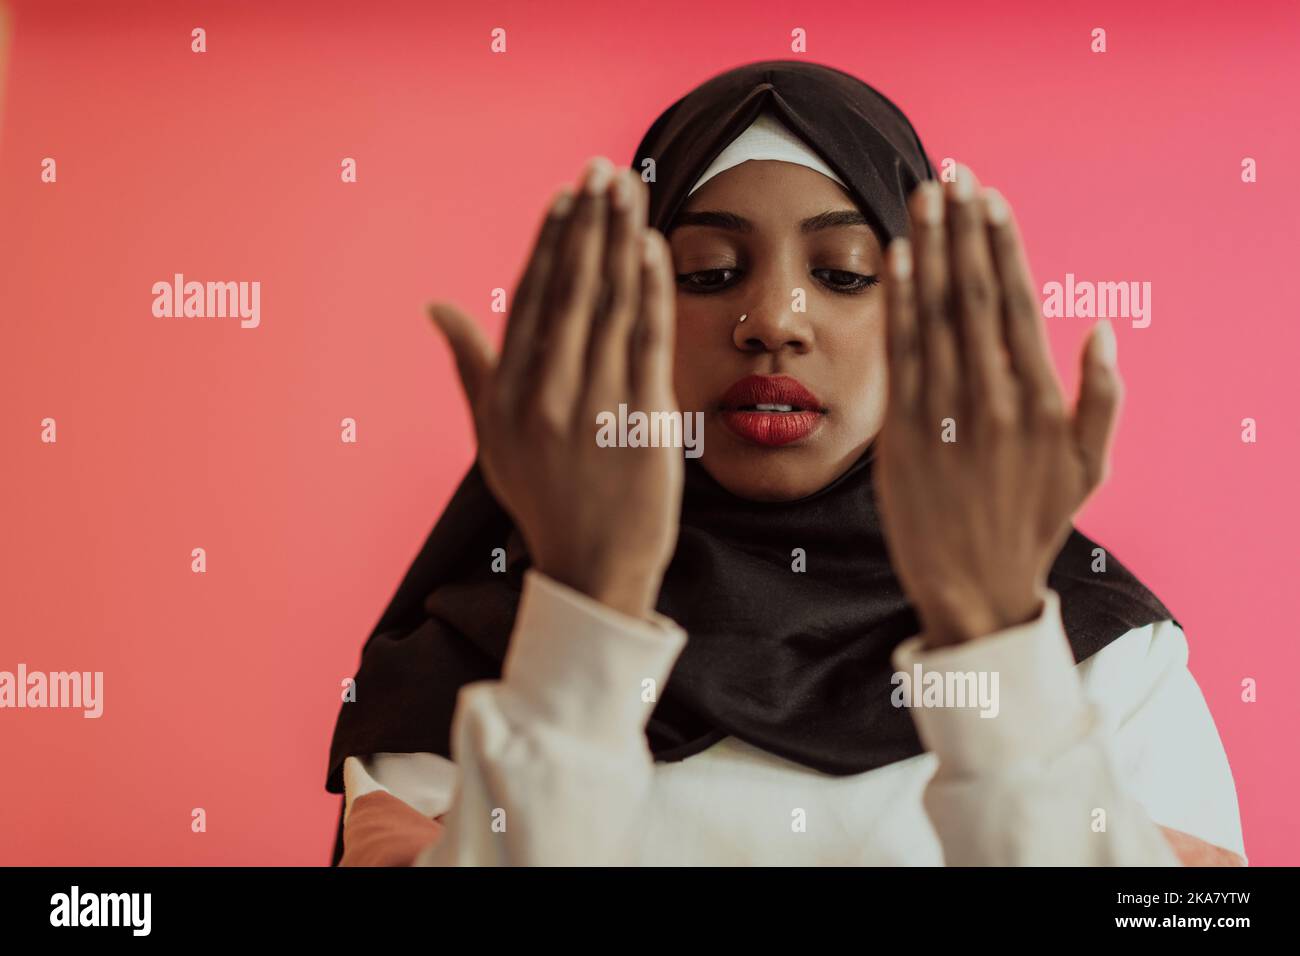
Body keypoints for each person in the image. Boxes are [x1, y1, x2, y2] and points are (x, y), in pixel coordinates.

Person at [324, 60, 1246, 866]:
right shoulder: (482, 658)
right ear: (625, 309)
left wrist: (995, 638)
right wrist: (588, 614)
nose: (773, 320)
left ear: (920, 313)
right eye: (709, 272)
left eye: (843, 272)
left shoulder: (1109, 663)